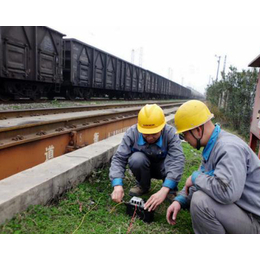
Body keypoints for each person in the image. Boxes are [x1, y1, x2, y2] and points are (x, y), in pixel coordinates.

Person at [166, 100, 260, 234]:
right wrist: (180, 201)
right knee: (203, 188)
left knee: (201, 201)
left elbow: (227, 192)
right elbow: (204, 177)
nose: (185, 139)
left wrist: (195, 178)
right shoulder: (214, 145)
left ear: (198, 130)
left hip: (255, 221)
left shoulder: (228, 149)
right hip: (244, 211)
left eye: (185, 134)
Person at [109, 104, 185, 211]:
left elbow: (177, 160)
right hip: (143, 167)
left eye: (154, 134)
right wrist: (117, 185)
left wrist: (165, 189)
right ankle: (143, 186)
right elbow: (119, 158)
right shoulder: (132, 133)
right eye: (145, 134)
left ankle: (170, 190)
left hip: (163, 168)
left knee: (171, 161)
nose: (150, 137)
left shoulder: (170, 133)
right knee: (136, 159)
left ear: (162, 127)